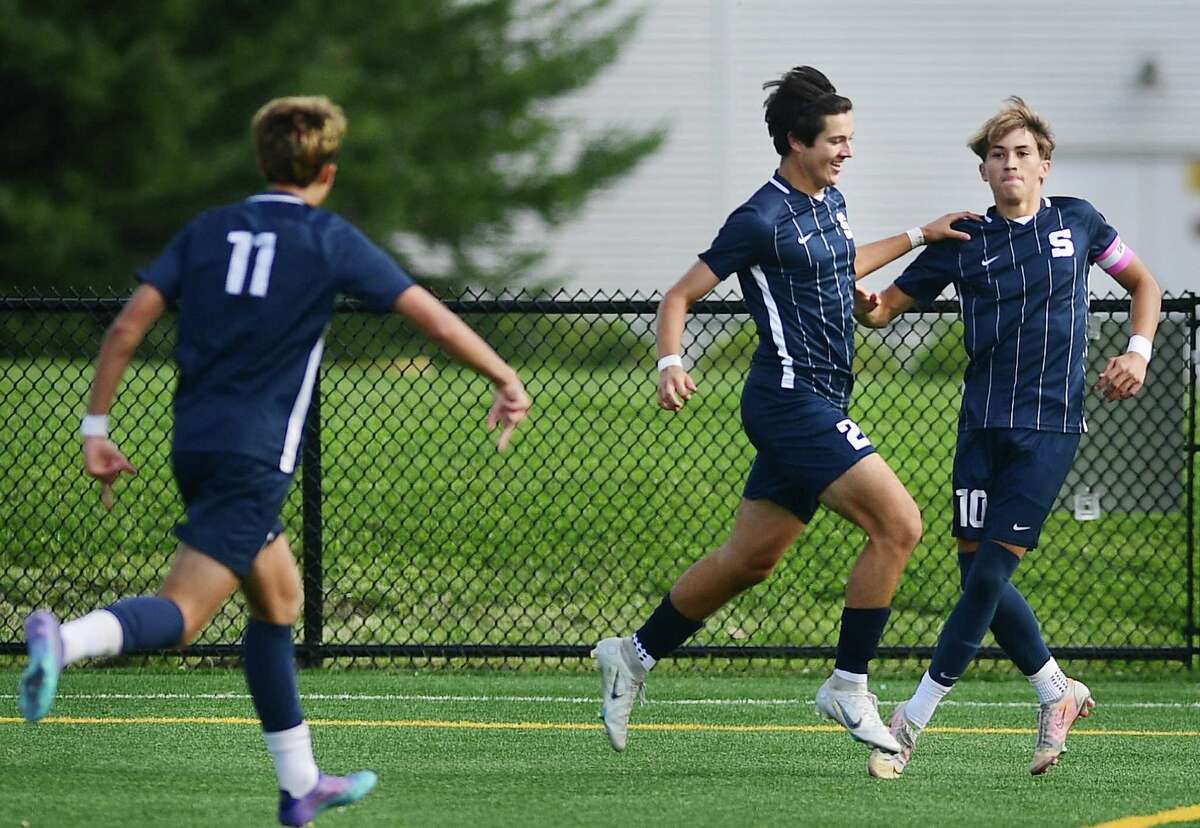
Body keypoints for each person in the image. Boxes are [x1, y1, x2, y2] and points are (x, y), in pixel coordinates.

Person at [17, 96, 532, 825]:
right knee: (185, 615)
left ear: (260, 160)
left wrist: (95, 428)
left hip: (193, 444)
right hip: (253, 458)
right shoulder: (327, 239)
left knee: (279, 599)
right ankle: (63, 641)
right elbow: (434, 318)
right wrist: (505, 378)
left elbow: (129, 325)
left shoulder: (208, 229)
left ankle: (301, 786)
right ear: (328, 170)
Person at [591, 66, 977, 757]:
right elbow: (678, 296)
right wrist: (670, 362)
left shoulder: (830, 202)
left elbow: (841, 261)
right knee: (899, 524)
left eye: (850, 139)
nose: (847, 152)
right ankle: (848, 685)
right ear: (797, 142)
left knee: (750, 560)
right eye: (836, 141)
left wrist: (921, 234)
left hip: (822, 399)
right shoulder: (758, 218)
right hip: (787, 401)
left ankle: (633, 656)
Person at [853, 97, 1161, 778]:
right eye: (998, 155)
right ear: (985, 172)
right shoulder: (965, 238)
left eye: (1022, 153)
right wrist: (855, 297)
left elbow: (1144, 282)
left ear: (1044, 165)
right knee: (975, 574)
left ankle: (911, 720)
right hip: (980, 428)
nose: (1010, 163)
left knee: (991, 572)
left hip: (1049, 428)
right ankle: (1057, 692)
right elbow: (884, 313)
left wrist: (1137, 351)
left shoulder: (1078, 222)